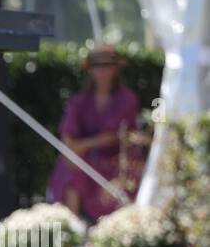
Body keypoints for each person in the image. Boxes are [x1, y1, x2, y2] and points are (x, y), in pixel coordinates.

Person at [47, 44, 147, 223]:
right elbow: (68, 138)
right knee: (68, 165)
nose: (102, 71)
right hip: (87, 161)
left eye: (107, 65)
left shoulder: (127, 99)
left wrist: (84, 145)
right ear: (90, 70)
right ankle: (71, 226)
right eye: (97, 66)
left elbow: (119, 134)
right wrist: (74, 150)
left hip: (118, 160)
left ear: (116, 69)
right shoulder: (79, 101)